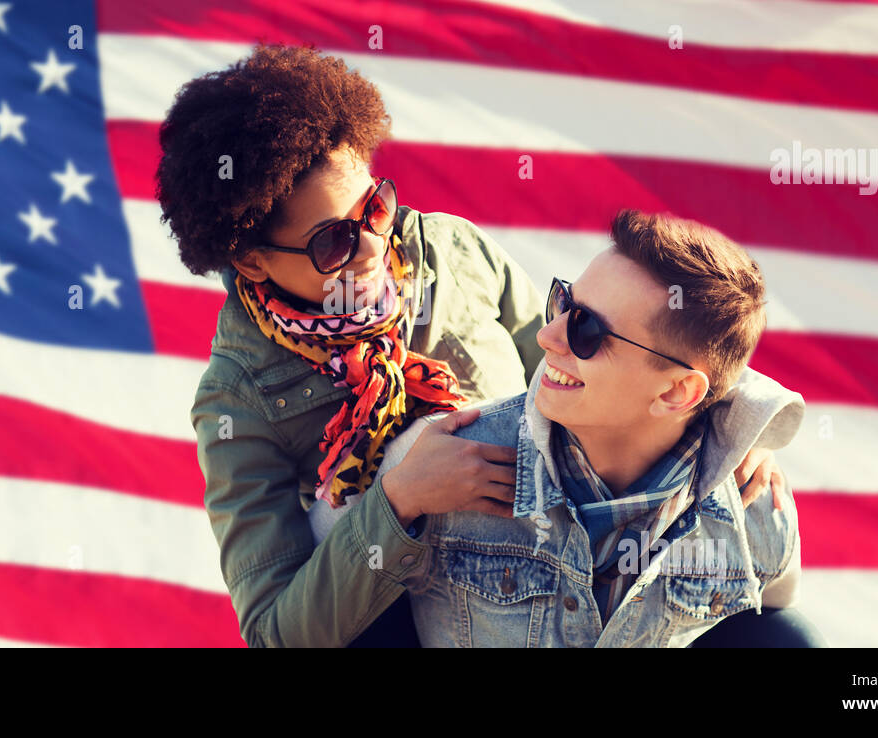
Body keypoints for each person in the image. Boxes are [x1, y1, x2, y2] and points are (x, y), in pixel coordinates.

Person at [160, 43, 794, 648]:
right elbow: (276, 631)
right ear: (250, 260)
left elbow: (600, 362)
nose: (377, 248)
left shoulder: (453, 252)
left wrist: (728, 428)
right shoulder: (237, 398)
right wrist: (399, 502)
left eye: (375, 208)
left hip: (559, 576)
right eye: (334, 242)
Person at [314, 210, 826, 647]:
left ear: (676, 393)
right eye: (563, 302)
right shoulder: (442, 464)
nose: (547, 335)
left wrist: (745, 433)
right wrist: (397, 501)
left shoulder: (755, 508)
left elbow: (771, 625)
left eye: (586, 329)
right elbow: (313, 614)